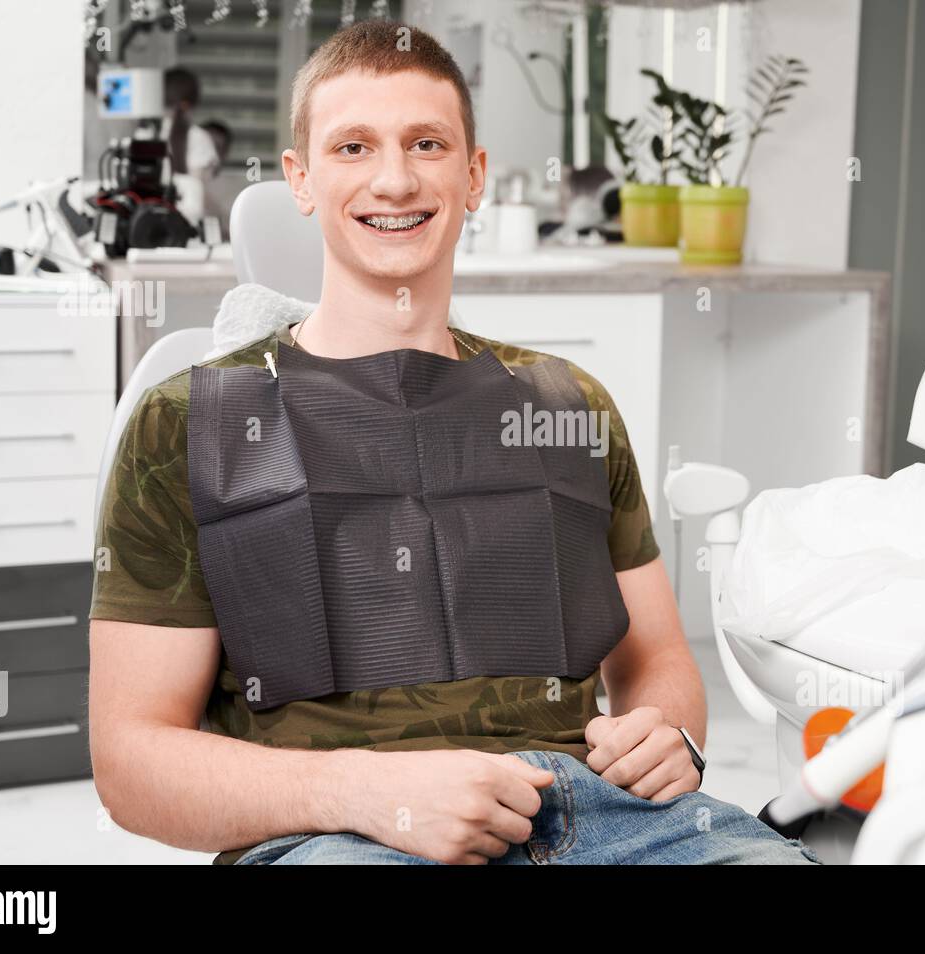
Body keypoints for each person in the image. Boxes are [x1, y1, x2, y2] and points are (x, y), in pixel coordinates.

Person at [88, 19, 817, 867]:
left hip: (606, 819)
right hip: (345, 833)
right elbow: (130, 763)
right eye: (353, 147)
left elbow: (656, 659)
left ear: (473, 177)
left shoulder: (566, 404)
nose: (394, 180)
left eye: (426, 144)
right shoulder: (188, 423)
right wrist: (367, 793)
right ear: (301, 179)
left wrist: (668, 734)